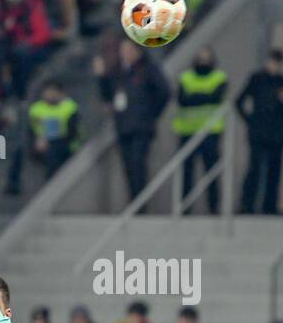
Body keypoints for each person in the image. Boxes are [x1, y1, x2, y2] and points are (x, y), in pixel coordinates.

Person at [95, 41, 170, 207]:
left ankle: (140, 204)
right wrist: (101, 77)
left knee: (138, 164)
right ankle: (133, 202)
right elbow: (108, 96)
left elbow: (164, 92)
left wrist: (151, 114)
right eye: (123, 50)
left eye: (129, 50)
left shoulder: (148, 70)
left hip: (141, 126)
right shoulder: (118, 72)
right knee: (128, 166)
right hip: (123, 126)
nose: (126, 53)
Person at [173, 47, 227, 215]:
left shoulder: (219, 77)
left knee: (211, 172)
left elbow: (216, 97)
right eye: (201, 58)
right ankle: (184, 209)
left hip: (210, 132)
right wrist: (205, 96)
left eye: (206, 58)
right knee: (186, 174)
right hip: (187, 131)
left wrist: (194, 96)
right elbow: (182, 100)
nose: (203, 61)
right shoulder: (185, 77)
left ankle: (214, 209)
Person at [237, 49, 283, 215]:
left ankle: (270, 207)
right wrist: (250, 120)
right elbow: (239, 101)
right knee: (254, 170)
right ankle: (248, 205)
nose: (274, 66)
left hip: (277, 134)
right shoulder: (257, 79)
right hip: (258, 132)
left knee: (274, 172)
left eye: (278, 63)